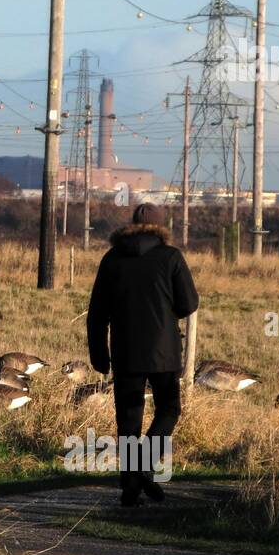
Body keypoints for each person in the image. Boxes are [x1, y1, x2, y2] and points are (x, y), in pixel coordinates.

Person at [86, 202, 198, 506]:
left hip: (125, 350)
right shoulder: (171, 257)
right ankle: (144, 466)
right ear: (161, 227)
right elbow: (188, 304)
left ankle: (131, 480)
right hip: (163, 352)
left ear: (130, 226)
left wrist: (99, 353)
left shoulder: (111, 259)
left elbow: (97, 312)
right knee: (169, 409)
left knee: (128, 419)